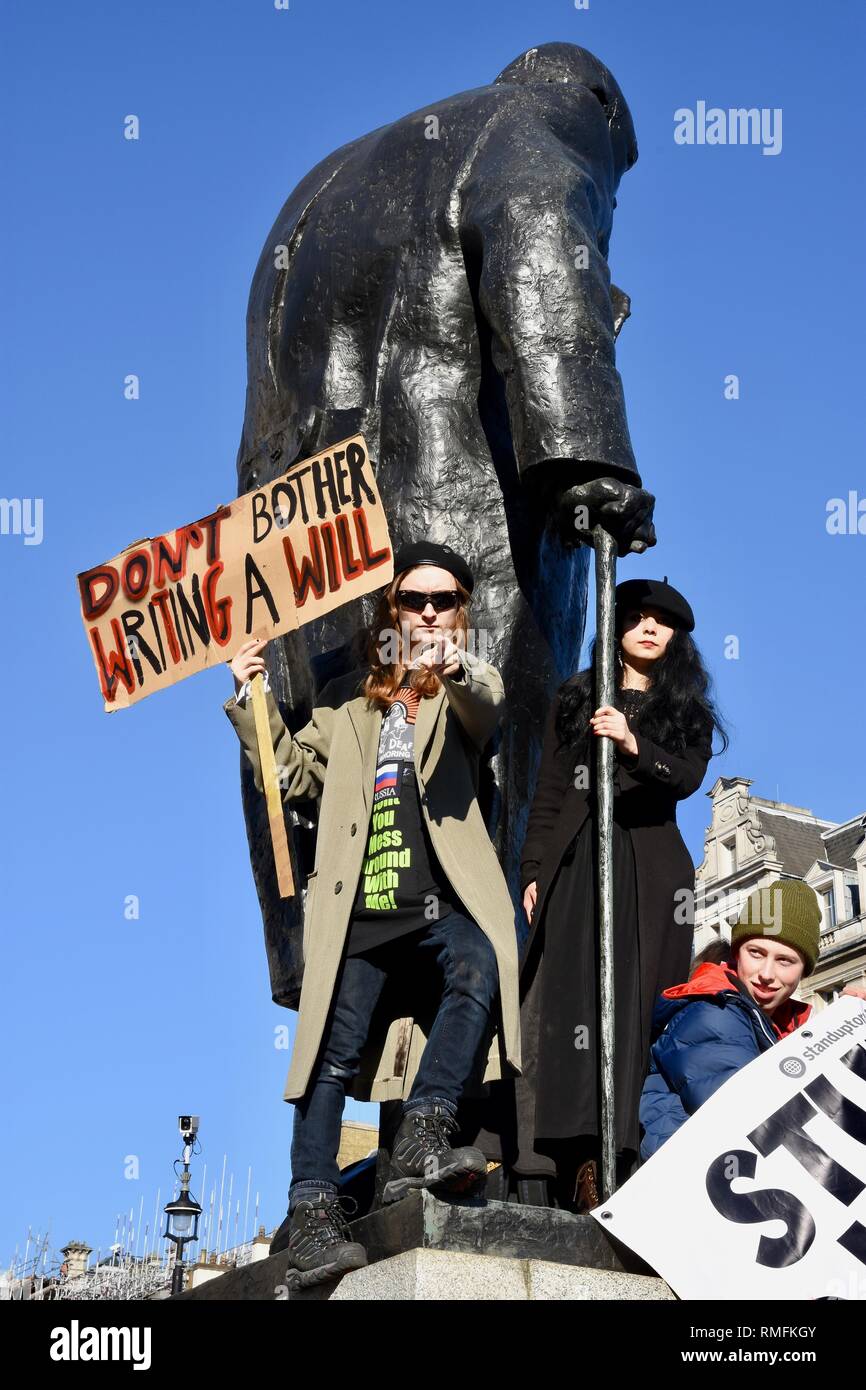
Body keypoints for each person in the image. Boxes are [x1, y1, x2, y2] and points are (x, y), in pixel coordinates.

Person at [223, 540, 521, 1288]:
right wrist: (253, 693)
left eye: (443, 600)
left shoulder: (462, 693)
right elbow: (289, 775)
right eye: (414, 600)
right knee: (329, 1051)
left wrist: (455, 666)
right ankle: (315, 1210)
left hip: (433, 901)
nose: (427, 612)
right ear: (394, 609)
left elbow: (487, 702)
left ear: (462, 610)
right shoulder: (350, 707)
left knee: (478, 962)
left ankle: (425, 1128)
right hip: (359, 910)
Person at [509, 577, 727, 1209]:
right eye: (635, 617)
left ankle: (616, 1155)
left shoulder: (688, 711)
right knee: (568, 1004)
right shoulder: (577, 697)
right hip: (577, 862)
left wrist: (634, 745)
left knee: (632, 1008)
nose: (649, 627)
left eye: (663, 620)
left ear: (679, 637)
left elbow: (684, 778)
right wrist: (532, 869)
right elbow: (549, 791)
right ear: (617, 628)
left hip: (649, 872)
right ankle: (567, 1156)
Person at [638, 878, 866, 1158]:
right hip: (688, 1189)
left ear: (804, 970)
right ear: (737, 953)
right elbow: (757, 1117)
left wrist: (848, 1030)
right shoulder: (714, 1011)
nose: (766, 973)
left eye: (785, 961)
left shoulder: (778, 1025)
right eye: (756, 953)